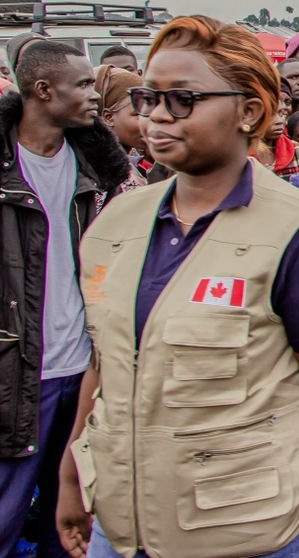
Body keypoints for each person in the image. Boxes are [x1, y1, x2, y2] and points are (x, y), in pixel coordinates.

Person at [53, 15, 299, 558]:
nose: (158, 115)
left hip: (256, 530)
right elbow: (104, 364)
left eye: (182, 99)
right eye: (147, 98)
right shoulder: (114, 226)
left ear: (249, 111)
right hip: (125, 525)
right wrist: (72, 477)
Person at [0, 42, 129, 557]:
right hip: (13, 372)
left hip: (80, 369)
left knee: (71, 520)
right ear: (43, 90)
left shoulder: (97, 171)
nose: (93, 94)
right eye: (81, 85)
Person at [93, 65, 149, 194]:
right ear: (108, 117)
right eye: (139, 114)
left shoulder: (133, 167)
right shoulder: (103, 176)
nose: (150, 120)